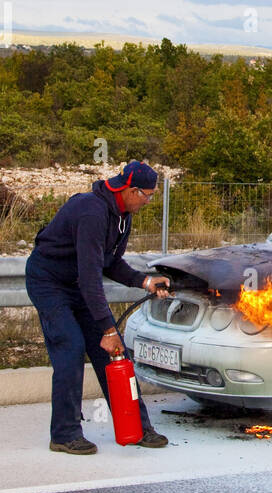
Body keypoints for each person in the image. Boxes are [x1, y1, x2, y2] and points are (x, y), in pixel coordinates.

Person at [25, 160, 172, 454]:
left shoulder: (122, 215)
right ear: (131, 190)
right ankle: (64, 434)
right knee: (71, 346)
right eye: (148, 195)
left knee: (114, 354)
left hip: (78, 282)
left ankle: (138, 427)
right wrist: (108, 328)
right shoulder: (92, 212)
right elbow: (92, 279)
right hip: (50, 283)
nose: (149, 201)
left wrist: (145, 282)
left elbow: (110, 263)